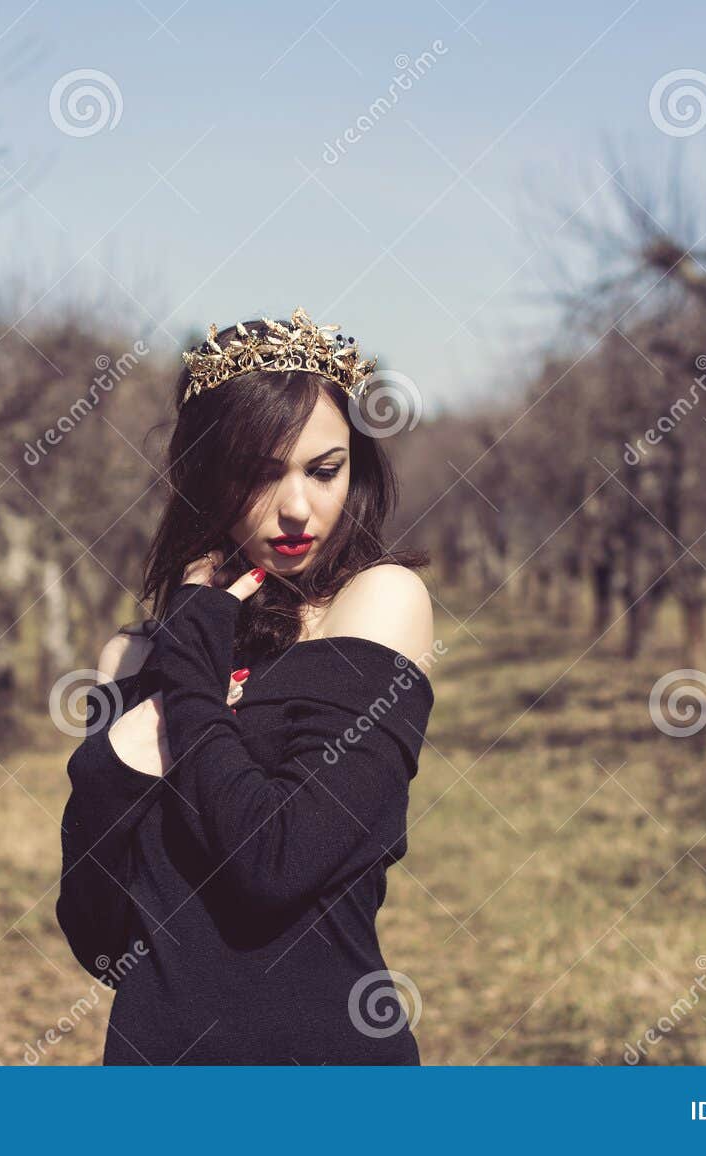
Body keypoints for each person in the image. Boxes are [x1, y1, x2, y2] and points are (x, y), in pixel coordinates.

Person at [56, 307, 437, 1064]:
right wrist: (104, 771)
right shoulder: (128, 658)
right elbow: (100, 936)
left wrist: (188, 675)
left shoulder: (377, 603)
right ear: (205, 475)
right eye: (260, 474)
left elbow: (275, 861)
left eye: (324, 470)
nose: (298, 507)